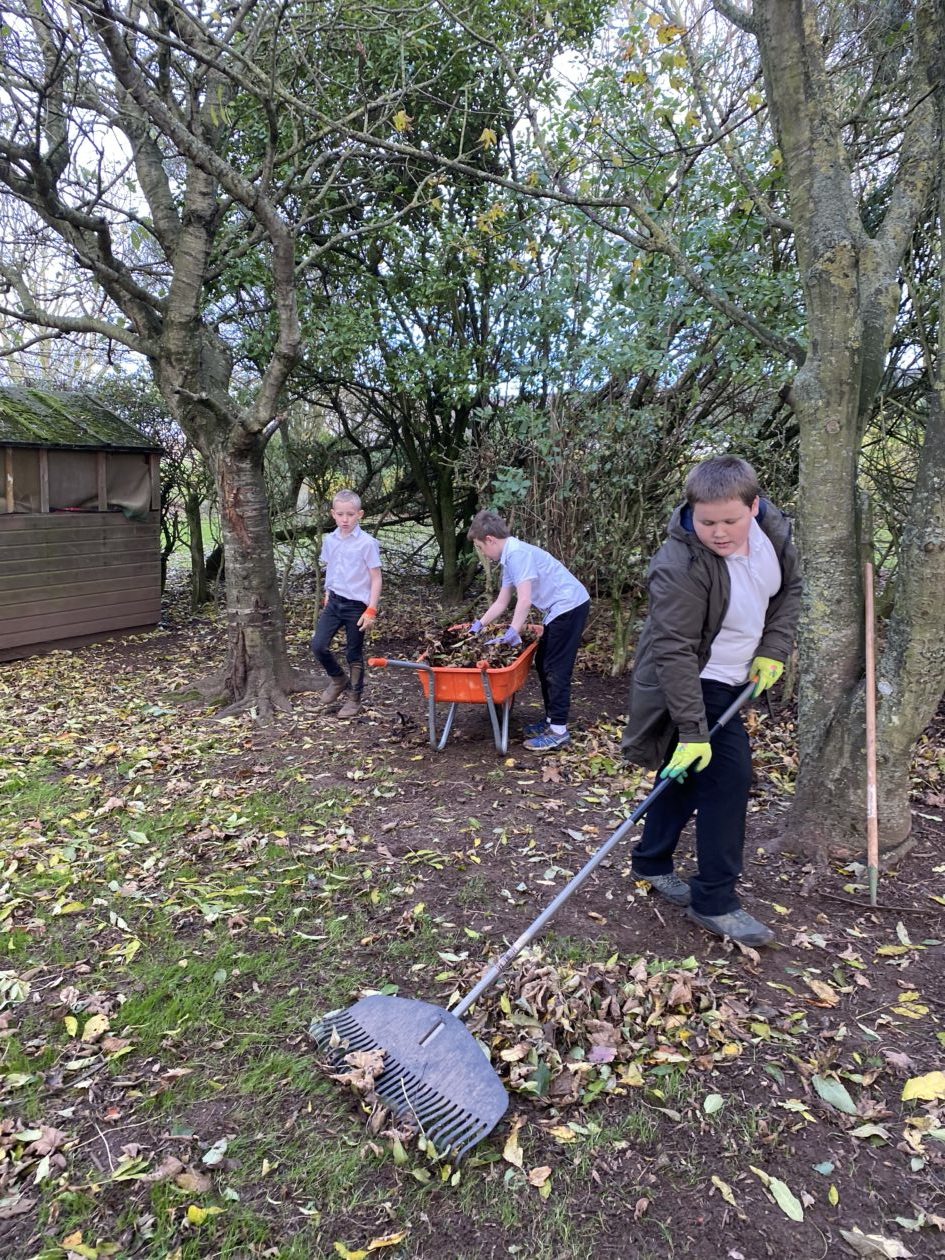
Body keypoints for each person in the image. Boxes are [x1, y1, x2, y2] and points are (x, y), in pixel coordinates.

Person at [620, 456, 801, 947]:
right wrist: (695, 729)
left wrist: (772, 650)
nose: (719, 532)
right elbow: (673, 650)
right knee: (728, 778)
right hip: (694, 679)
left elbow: (790, 592)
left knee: (681, 777)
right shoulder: (677, 565)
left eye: (730, 521)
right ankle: (714, 901)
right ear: (690, 511)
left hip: (740, 674)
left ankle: (652, 861)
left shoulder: (774, 532)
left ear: (754, 507)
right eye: (707, 522)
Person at [467, 510, 590, 752]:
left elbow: (524, 600)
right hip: (559, 609)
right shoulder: (509, 557)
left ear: (490, 539)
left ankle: (558, 731)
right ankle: (551, 721)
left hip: (569, 606)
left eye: (481, 547)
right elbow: (502, 601)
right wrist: (479, 624)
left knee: (556, 668)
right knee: (545, 663)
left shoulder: (518, 554)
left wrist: (513, 631)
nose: (483, 552)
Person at [311, 490, 382, 720]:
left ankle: (354, 698)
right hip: (334, 602)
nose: (345, 519)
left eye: (350, 514)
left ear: (359, 514)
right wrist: (327, 592)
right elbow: (331, 567)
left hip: (357, 606)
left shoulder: (367, 543)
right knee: (318, 645)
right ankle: (338, 679)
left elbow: (376, 578)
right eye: (340, 514)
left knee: (353, 652)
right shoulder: (330, 540)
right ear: (333, 514)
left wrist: (371, 609)